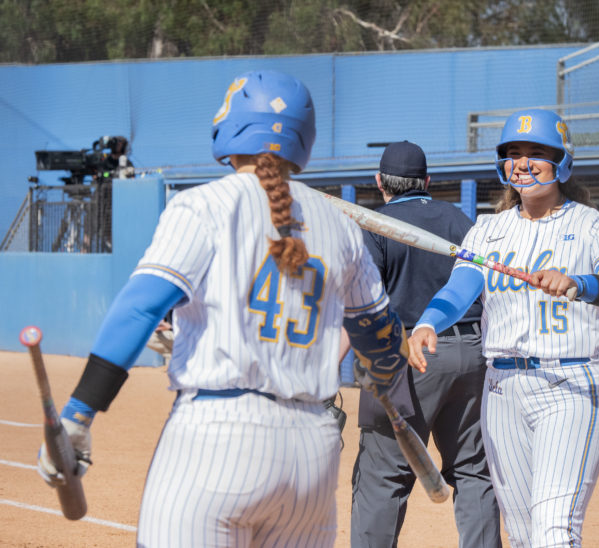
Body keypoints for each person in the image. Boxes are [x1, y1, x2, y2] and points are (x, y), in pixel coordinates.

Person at [36, 69, 409, 547]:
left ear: (230, 128)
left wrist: (79, 414)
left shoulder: (203, 206)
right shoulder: (340, 227)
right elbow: (381, 339)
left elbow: (139, 309)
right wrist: (392, 390)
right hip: (312, 453)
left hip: (219, 435)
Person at [407, 108, 599, 547]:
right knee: (522, 534)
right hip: (502, 387)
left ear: (562, 162)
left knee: (554, 530)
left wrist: (580, 283)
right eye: (513, 153)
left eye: (537, 153)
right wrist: (427, 322)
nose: (523, 162)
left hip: (570, 382)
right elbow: (461, 289)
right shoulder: (487, 230)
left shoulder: (594, 224)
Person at [350, 141, 501, 548]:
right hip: (471, 352)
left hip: (408, 354)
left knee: (383, 475)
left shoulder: (375, 224)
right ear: (427, 182)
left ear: (380, 182)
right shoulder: (459, 218)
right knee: (473, 470)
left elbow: (365, 300)